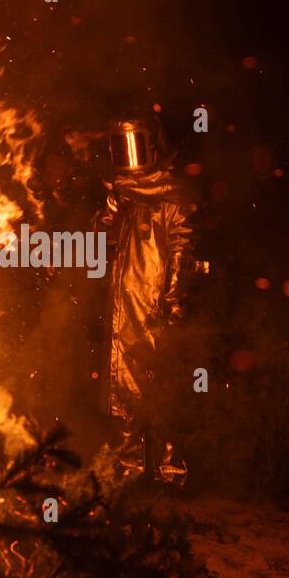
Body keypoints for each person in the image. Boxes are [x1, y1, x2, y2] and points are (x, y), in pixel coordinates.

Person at [95, 114, 197, 484]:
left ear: (154, 147)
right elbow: (99, 242)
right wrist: (110, 210)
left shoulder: (172, 196)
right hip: (125, 310)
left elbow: (182, 256)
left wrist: (172, 308)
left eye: (136, 145)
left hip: (155, 311)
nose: (131, 157)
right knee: (125, 390)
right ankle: (133, 466)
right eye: (122, 147)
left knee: (162, 388)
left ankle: (170, 468)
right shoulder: (123, 193)